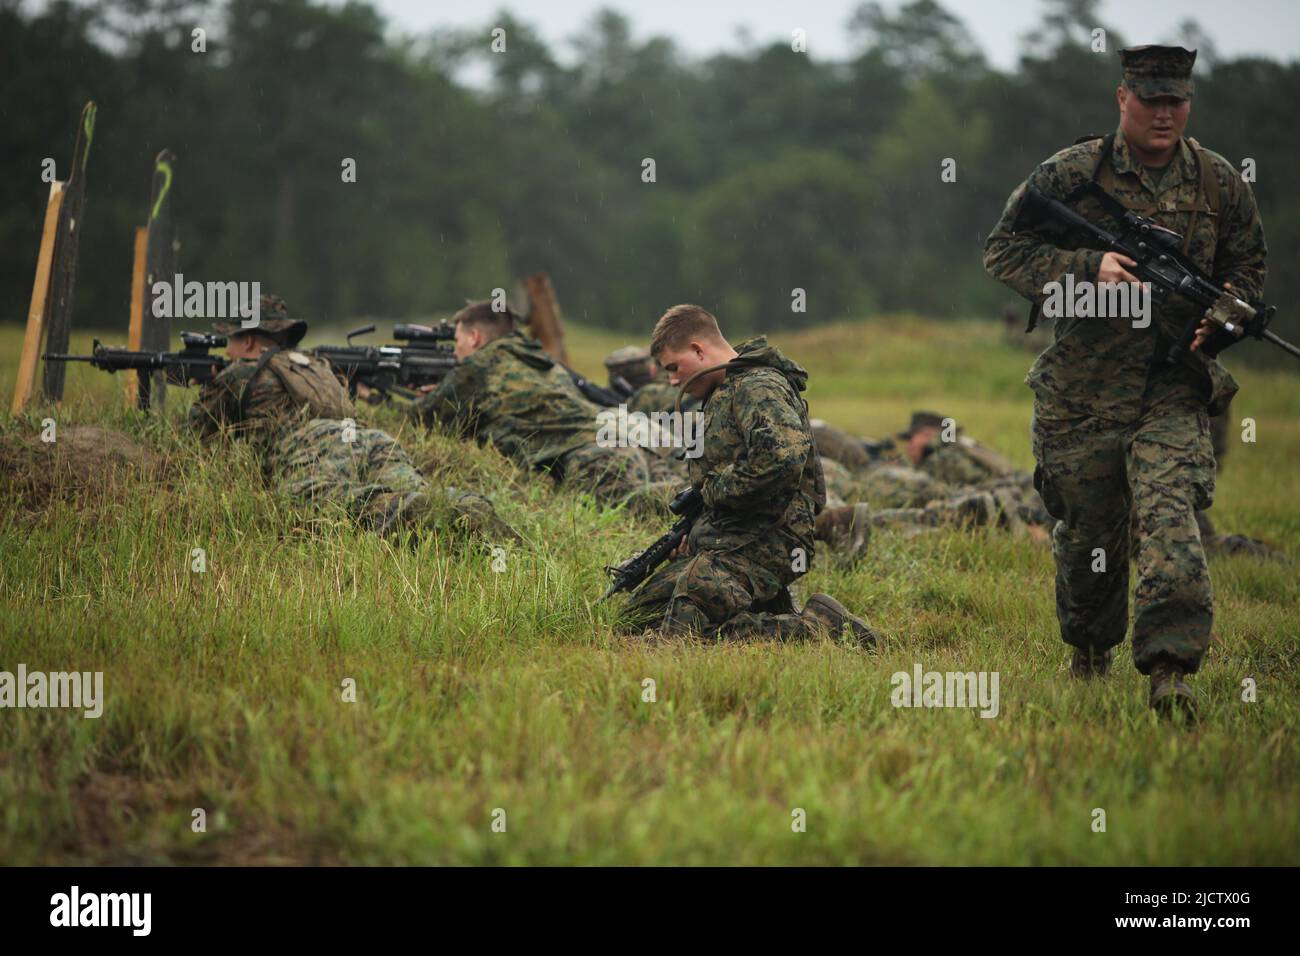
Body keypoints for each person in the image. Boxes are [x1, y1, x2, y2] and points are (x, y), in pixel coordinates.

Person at [984, 45, 1268, 720]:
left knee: (1172, 523)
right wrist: (1089, 268)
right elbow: (1004, 251)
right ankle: (1089, 649)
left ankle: (1170, 670)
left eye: (1177, 101)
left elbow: (1248, 270)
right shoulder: (1073, 173)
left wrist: (1229, 316)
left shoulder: (1218, 184)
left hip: (1172, 388)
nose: (1165, 113)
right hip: (1081, 393)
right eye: (1151, 100)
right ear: (1123, 99)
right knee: (1088, 543)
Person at [614, 304, 877, 645]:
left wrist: (712, 492)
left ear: (698, 349)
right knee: (637, 618)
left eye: (674, 368)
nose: (673, 380)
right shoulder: (724, 391)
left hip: (768, 538)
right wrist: (695, 532)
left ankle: (818, 628)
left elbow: (781, 459)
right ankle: (770, 614)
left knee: (679, 636)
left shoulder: (757, 387)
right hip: (732, 538)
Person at [189, 295, 513, 541]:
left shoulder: (242, 371)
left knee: (326, 513)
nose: (227, 350)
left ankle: (430, 510)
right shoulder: (311, 363)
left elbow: (195, 434)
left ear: (247, 340)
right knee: (418, 493)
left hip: (317, 444)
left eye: (230, 340)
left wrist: (210, 383)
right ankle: (463, 506)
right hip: (365, 438)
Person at [410, 301, 666, 510]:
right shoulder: (536, 357)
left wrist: (375, 395)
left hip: (592, 459)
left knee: (650, 511)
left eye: (458, 340)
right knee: (678, 498)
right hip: (622, 442)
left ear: (475, 337)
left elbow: (421, 418)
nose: (456, 351)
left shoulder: (479, 365)